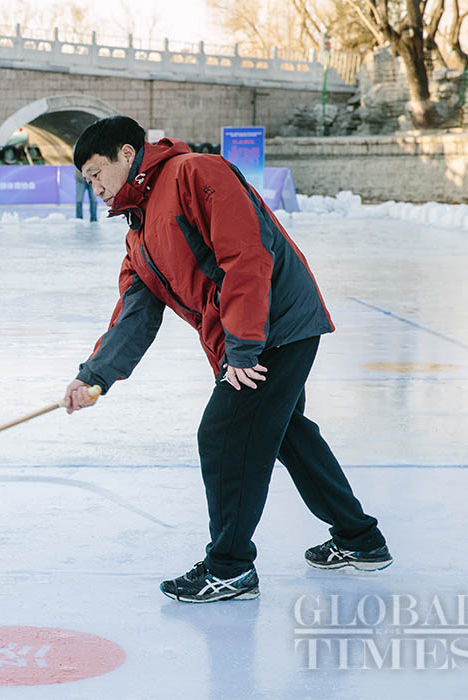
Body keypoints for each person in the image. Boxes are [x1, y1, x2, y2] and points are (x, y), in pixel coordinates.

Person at [63, 116, 390, 603]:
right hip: (250, 337)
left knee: (225, 435)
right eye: (86, 181)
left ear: (127, 155)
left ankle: (230, 567)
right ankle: (360, 539)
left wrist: (243, 345)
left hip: (274, 328)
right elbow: (135, 315)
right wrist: (92, 377)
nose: (94, 188)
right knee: (288, 435)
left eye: (95, 173)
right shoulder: (139, 232)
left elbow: (246, 256)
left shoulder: (197, 173)